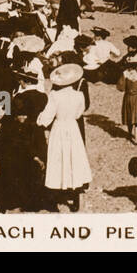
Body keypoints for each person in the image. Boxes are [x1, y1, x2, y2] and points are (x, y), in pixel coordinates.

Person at [37, 62, 92, 211]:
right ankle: (75, 194)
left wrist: (39, 119)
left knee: (57, 159)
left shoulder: (55, 96)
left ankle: (55, 195)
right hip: (73, 128)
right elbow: (78, 113)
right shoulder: (79, 95)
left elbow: (47, 117)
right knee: (73, 158)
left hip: (59, 127)